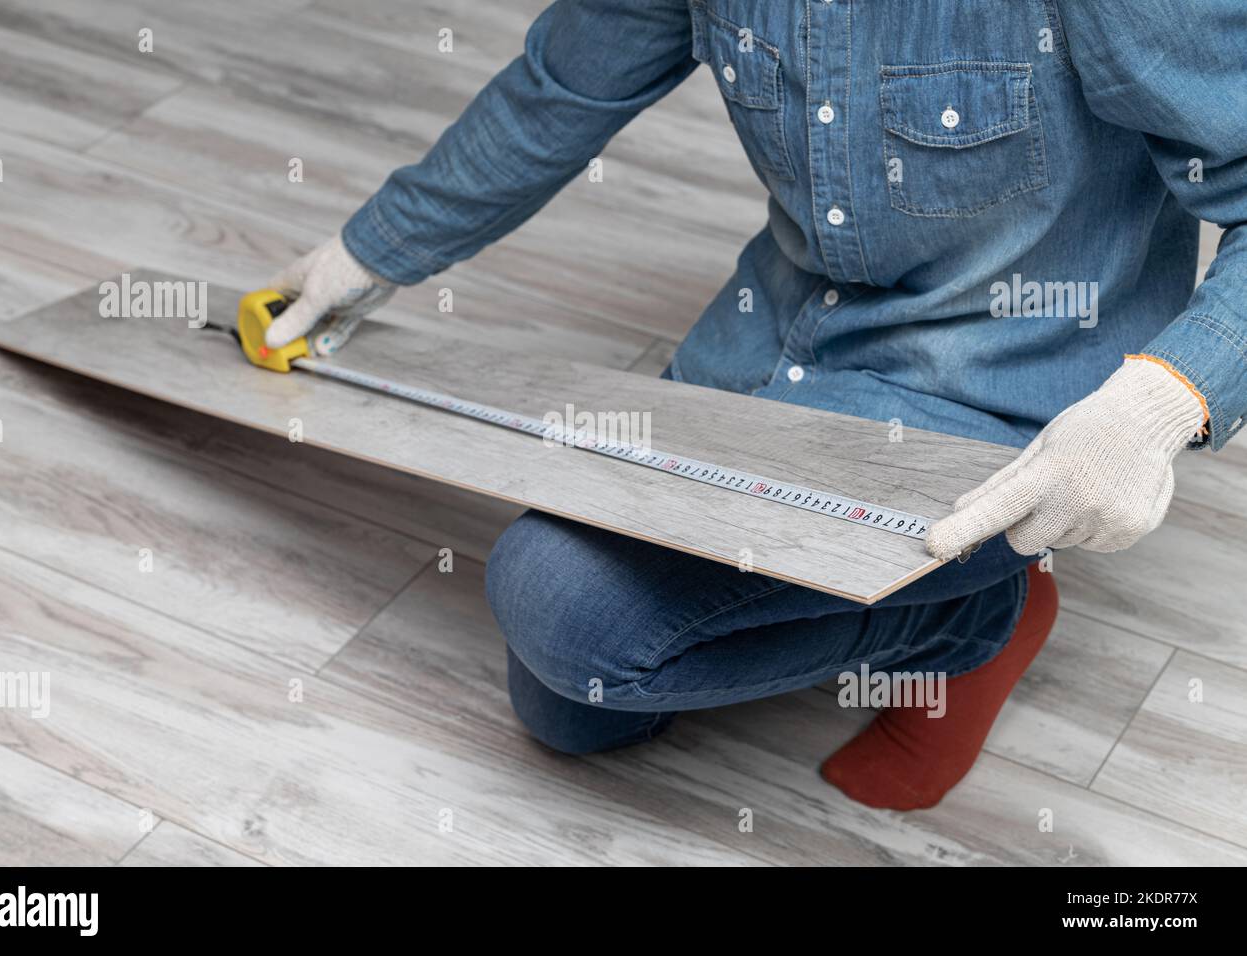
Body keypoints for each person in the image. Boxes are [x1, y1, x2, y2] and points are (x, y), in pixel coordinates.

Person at [263, 1, 1245, 809]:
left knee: (561, 612)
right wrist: (375, 251)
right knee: (574, 710)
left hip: (982, 396)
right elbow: (562, 86)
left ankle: (977, 616)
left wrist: (1160, 403)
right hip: (774, 340)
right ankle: (930, 598)